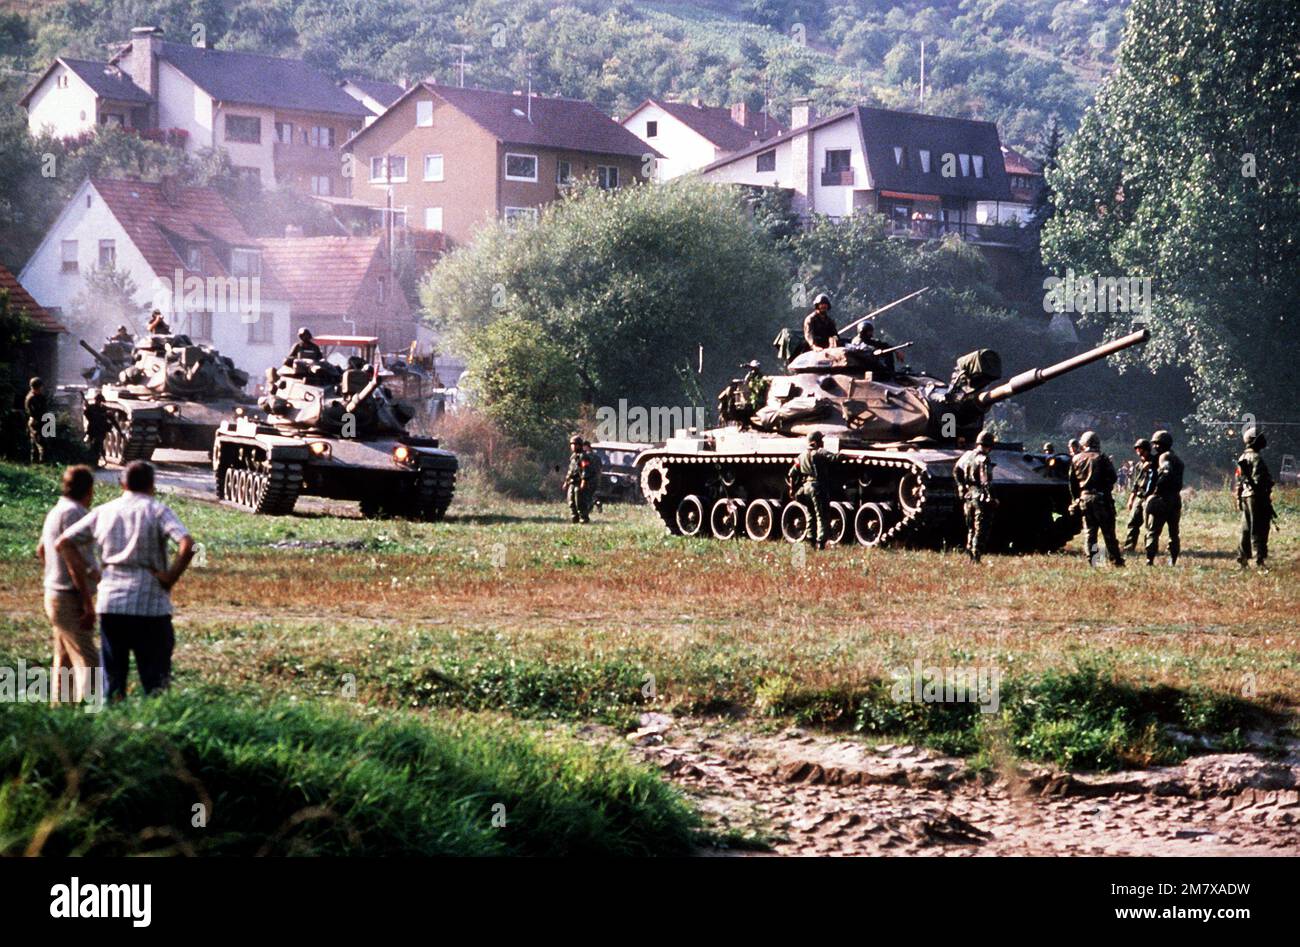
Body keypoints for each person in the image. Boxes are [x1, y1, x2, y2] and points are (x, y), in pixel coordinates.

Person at [55, 461, 195, 700]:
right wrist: (170, 577)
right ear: (152, 485)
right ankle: (156, 723)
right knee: (155, 679)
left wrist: (90, 571)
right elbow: (187, 544)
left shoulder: (104, 510)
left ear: (122, 483)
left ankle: (114, 724)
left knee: (114, 676)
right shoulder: (158, 510)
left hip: (112, 602)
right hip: (150, 603)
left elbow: (64, 543)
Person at [37, 465, 100, 704]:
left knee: (63, 661)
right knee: (90, 662)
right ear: (89, 489)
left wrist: (54, 574)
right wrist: (87, 603)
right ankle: (92, 716)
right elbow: (74, 562)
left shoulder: (57, 510)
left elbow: (42, 550)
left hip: (53, 593)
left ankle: (61, 712)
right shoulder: (75, 513)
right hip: (69, 596)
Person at [1069, 431, 1125, 567]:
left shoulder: (1076, 459)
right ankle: (1116, 561)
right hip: (1101, 499)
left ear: (1084, 443)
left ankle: (1093, 561)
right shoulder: (1102, 458)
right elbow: (1113, 477)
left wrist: (1077, 499)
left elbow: (1072, 483)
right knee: (1108, 532)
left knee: (1090, 532)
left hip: (1084, 499)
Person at [954, 429, 997, 562]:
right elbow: (985, 480)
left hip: (969, 494)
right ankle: (976, 556)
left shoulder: (967, 455)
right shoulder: (983, 458)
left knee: (971, 526)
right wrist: (991, 496)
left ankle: (970, 553)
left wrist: (961, 486)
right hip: (980, 495)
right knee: (981, 526)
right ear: (989, 446)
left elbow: (956, 470)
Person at [788, 430, 836, 549]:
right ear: (815, 442)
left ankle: (810, 539)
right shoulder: (819, 452)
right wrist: (845, 456)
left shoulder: (801, 456)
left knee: (810, 514)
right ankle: (820, 542)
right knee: (821, 515)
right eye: (821, 440)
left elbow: (792, 473)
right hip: (817, 487)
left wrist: (792, 489)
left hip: (805, 488)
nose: (822, 442)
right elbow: (834, 457)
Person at [1235, 427, 1274, 570]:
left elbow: (1239, 481)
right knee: (1260, 528)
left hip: (1246, 496)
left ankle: (1243, 559)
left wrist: (1239, 498)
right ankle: (1259, 560)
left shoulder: (1242, 457)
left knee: (1246, 529)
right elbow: (1259, 480)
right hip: (1256, 496)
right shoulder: (1256, 458)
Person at [1144, 429, 1184, 566]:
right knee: (1174, 533)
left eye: (1156, 444)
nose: (1154, 447)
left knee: (1153, 531)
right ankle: (1172, 560)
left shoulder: (1164, 457)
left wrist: (1155, 492)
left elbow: (1166, 472)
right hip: (1175, 499)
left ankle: (1149, 559)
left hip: (1162, 499)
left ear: (1161, 444)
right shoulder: (1176, 458)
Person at [1123, 438, 1154, 552]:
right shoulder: (1138, 465)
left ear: (1145, 449)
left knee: (1149, 525)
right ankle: (1129, 548)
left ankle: (1149, 548)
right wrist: (1131, 499)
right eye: (1136, 448)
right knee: (1132, 522)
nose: (1137, 450)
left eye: (1139, 448)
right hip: (1139, 496)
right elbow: (1136, 483)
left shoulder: (1155, 462)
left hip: (1150, 496)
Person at [563, 434, 598, 524]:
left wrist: (584, 481)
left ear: (579, 445)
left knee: (580, 502)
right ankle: (574, 519)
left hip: (580, 483)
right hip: (572, 482)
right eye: (572, 444)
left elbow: (586, 470)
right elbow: (570, 470)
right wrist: (566, 482)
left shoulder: (583, 457)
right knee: (571, 502)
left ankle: (583, 519)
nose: (573, 446)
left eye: (575, 444)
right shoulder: (573, 457)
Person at [25, 376, 50, 464]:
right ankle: (43, 463)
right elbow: (31, 412)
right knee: (42, 444)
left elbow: (44, 409)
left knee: (35, 445)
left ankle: (36, 464)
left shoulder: (40, 397)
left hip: (42, 422)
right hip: (35, 422)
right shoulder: (31, 398)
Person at [83, 393, 110, 467]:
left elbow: (111, 420)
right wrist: (88, 410)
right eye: (98, 400)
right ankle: (92, 462)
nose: (99, 402)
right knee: (92, 446)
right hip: (93, 430)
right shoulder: (91, 408)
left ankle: (96, 461)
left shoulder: (103, 409)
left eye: (100, 401)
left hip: (100, 431)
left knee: (98, 446)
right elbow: (88, 415)